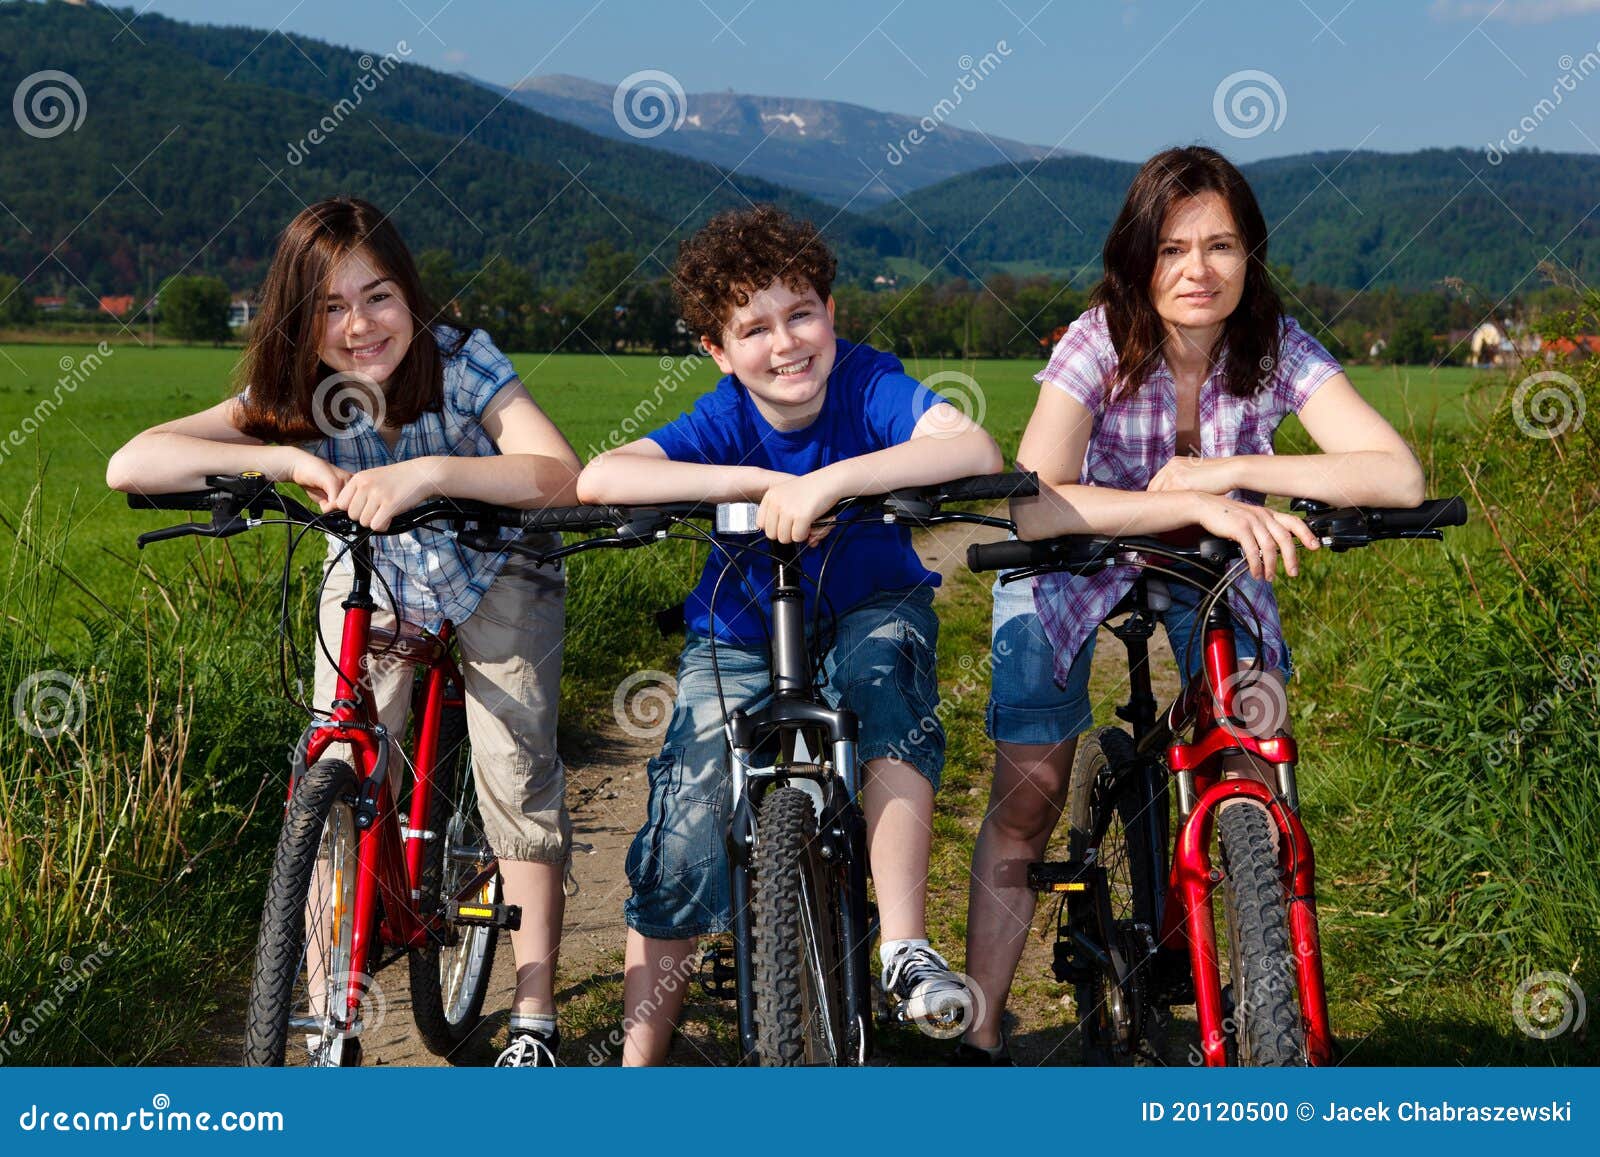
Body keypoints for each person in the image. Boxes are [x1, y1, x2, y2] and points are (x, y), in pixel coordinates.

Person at [959, 146, 1425, 1064]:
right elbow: (1035, 497)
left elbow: (1397, 475)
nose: (1198, 270)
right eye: (1173, 248)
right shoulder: (1098, 335)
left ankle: (1254, 944)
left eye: (1220, 245)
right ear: (1140, 257)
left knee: (1253, 739)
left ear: (1251, 254)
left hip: (1212, 559)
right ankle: (977, 1031)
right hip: (1074, 552)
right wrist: (1189, 501)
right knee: (1032, 789)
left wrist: (1233, 473)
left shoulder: (1277, 343)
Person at [106, 196, 582, 1067]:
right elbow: (129, 462)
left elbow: (562, 473)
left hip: (495, 559)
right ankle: (333, 1009)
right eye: (329, 306)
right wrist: (280, 457)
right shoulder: (298, 390)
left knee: (514, 768)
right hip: (378, 570)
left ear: (413, 297)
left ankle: (534, 1015)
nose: (359, 325)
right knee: (339, 756)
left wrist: (430, 471)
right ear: (299, 316)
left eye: (379, 296)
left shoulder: (463, 363)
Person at [577, 203, 1004, 1065]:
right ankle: (634, 1066)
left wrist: (831, 484)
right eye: (753, 328)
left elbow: (973, 448)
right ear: (717, 351)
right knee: (688, 812)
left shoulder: (865, 383)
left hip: (867, 604)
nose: (785, 343)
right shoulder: (722, 418)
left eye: (801, 312)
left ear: (832, 312)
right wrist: (761, 478)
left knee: (885, 688)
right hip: (737, 629)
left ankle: (902, 950)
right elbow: (600, 477)